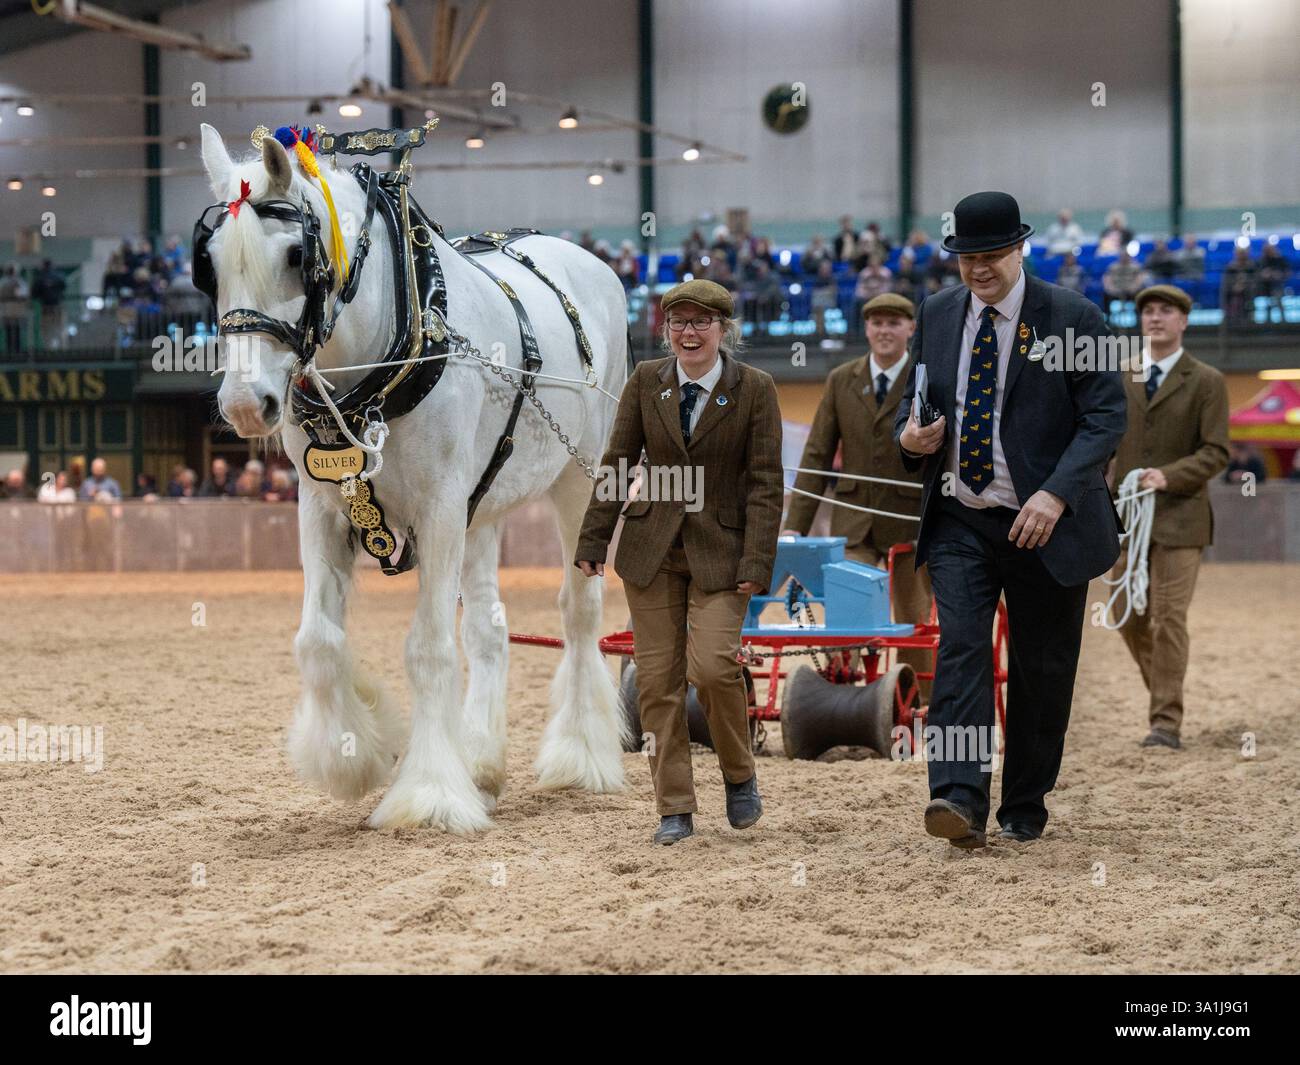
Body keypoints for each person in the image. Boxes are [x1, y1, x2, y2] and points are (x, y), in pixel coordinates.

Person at [895, 190, 1127, 848]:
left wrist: (1055, 493)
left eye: (991, 254)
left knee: (1041, 670)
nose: (979, 268)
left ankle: (1024, 802)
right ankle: (958, 795)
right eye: (967, 256)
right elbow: (916, 405)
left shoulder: (1075, 318)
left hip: (1047, 528)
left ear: (1020, 248)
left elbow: (1106, 416)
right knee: (962, 649)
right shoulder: (937, 315)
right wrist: (910, 438)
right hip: (962, 521)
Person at [574, 279, 783, 846]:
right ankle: (675, 806)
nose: (689, 333)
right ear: (666, 330)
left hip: (724, 553)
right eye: (678, 323)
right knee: (657, 684)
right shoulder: (646, 382)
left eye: (701, 322)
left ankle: (739, 774)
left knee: (715, 668)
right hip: (651, 551)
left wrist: (758, 560)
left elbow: (766, 484)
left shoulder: (756, 389)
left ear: (723, 330)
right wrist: (594, 539)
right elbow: (617, 462)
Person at [783, 293, 932, 696]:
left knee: (914, 618)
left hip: (911, 524)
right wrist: (794, 527)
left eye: (894, 323)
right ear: (866, 329)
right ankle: (841, 697)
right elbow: (816, 455)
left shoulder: (927, 380)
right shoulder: (840, 380)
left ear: (910, 329)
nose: (884, 331)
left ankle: (917, 701)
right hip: (853, 522)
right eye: (877, 323)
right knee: (847, 609)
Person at [1109, 285, 1229, 750]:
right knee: (1125, 615)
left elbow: (1217, 451)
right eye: (1149, 312)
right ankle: (1164, 691)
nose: (1156, 318)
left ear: (1183, 321)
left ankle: (1165, 722)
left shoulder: (1207, 380)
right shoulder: (1122, 377)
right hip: (1128, 521)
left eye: (1167, 311)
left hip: (1181, 519)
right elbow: (1107, 445)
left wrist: (1169, 475)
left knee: (1167, 619)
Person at [30, 260, 66, 350]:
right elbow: (64, 286)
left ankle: (49, 350)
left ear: (43, 266)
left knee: (47, 330)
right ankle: (63, 349)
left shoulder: (40, 278)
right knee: (60, 328)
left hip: (46, 308)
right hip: (58, 306)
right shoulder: (59, 276)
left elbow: (34, 293)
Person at [0, 264, 28, 354]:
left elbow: (23, 295)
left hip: (12, 309)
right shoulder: (16, 282)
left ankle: (14, 350)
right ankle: (13, 350)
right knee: (11, 329)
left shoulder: (5, 282)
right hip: (10, 309)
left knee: (14, 329)